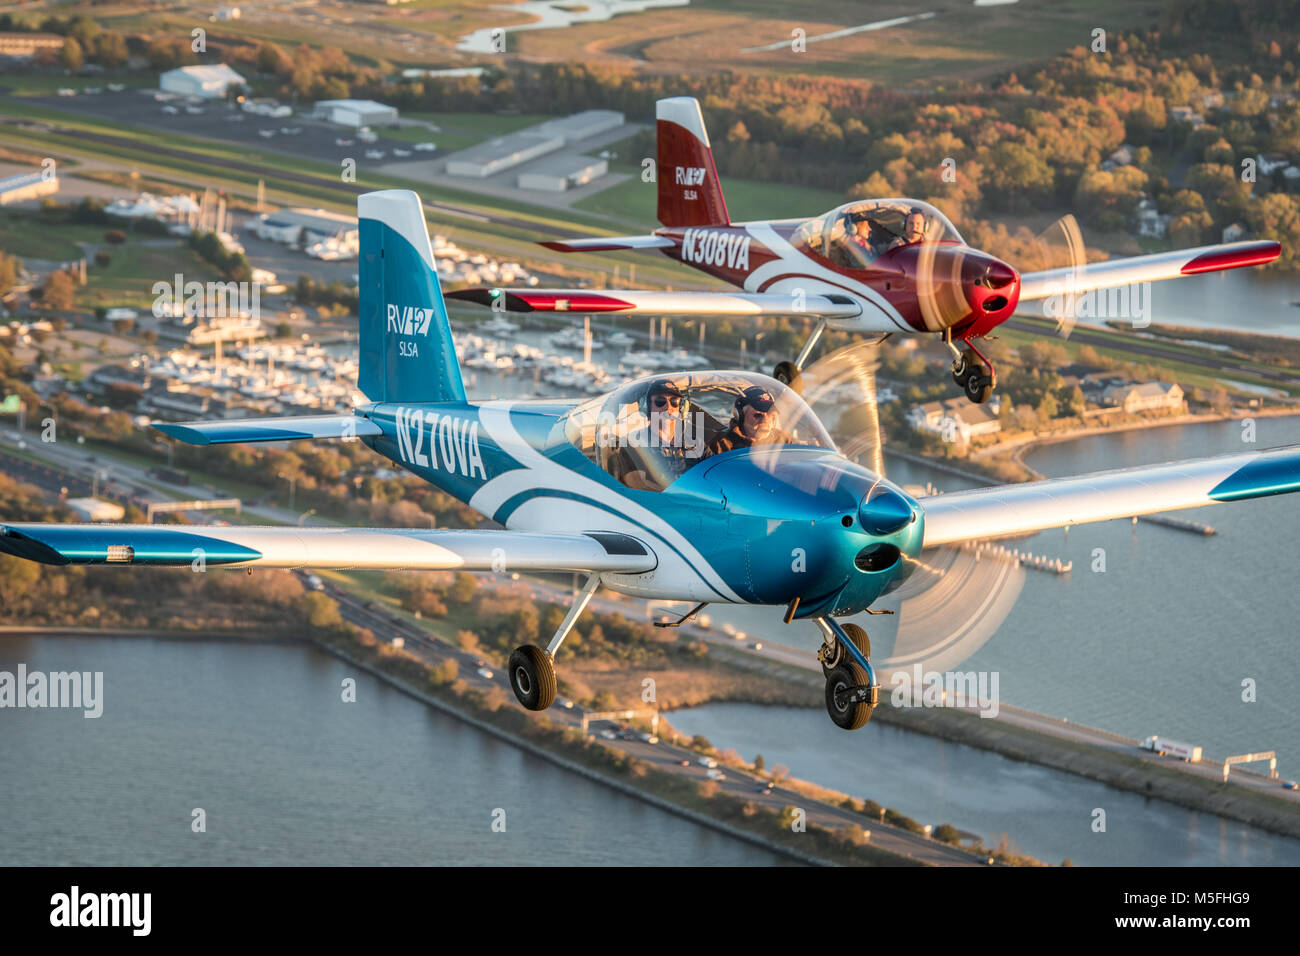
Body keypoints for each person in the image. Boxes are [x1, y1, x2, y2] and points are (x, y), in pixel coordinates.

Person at [608, 380, 691, 491]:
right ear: (646, 408)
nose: (668, 407)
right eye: (660, 401)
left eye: (674, 401)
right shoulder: (634, 445)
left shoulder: (694, 443)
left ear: (681, 407)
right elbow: (636, 484)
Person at [706, 385, 791, 457]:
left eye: (770, 414)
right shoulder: (722, 444)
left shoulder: (783, 440)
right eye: (758, 415)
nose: (765, 420)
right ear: (740, 416)